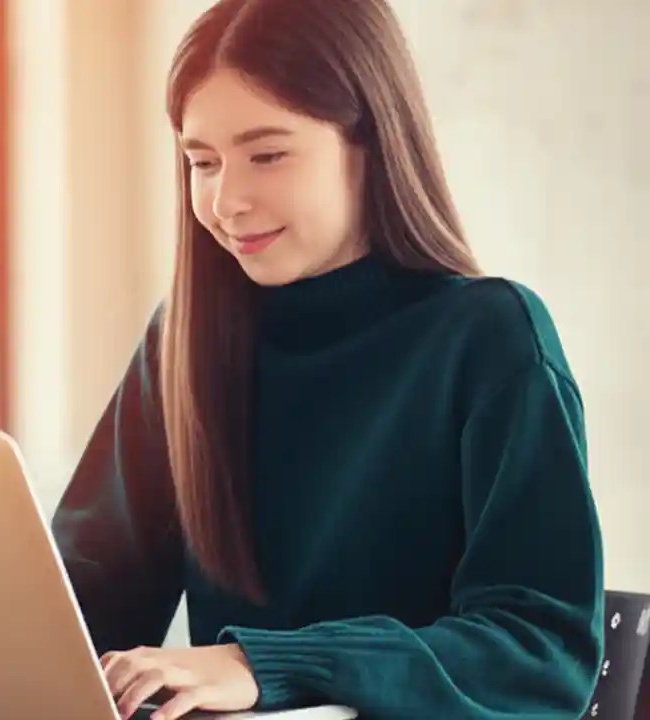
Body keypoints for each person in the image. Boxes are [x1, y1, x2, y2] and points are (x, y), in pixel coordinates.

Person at [49, 1, 605, 719]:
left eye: (267, 154)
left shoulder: (490, 337)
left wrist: (265, 664)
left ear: (371, 143)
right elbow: (82, 606)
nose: (226, 201)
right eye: (202, 162)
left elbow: (541, 650)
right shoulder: (182, 344)